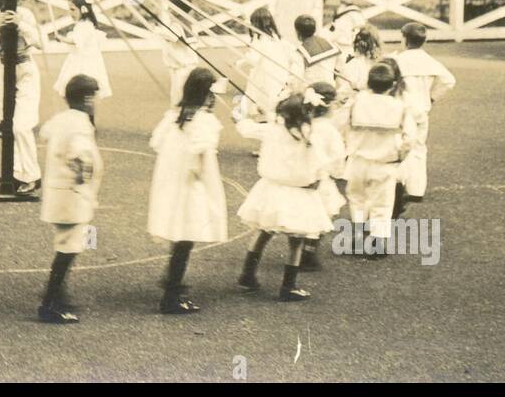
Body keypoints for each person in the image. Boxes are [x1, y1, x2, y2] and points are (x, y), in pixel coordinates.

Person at [235, 86, 343, 300]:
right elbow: (322, 163)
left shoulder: (273, 129)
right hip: (299, 192)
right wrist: (319, 179)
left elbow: (246, 127)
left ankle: (247, 274)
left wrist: (239, 114)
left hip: (270, 188)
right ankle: (288, 286)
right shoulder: (309, 135)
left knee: (263, 232)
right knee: (296, 241)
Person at [147, 67, 228, 314]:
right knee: (185, 234)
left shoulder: (175, 115)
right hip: (191, 185)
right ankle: (172, 292)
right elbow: (199, 157)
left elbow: (156, 142)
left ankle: (173, 281)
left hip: (172, 181)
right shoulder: (205, 122)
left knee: (181, 233)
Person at [37, 74, 104, 324]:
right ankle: (50, 302)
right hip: (71, 194)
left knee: (68, 244)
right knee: (69, 247)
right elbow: (77, 153)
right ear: (87, 98)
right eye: (94, 96)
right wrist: (83, 174)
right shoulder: (80, 124)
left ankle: (57, 293)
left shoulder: (64, 119)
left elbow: (46, 132)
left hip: (60, 193)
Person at [340, 62, 416, 259]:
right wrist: (400, 155)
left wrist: (349, 144)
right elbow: (410, 138)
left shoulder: (356, 103)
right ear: (392, 85)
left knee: (357, 199)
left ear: (368, 83)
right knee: (381, 204)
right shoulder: (400, 107)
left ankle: (356, 239)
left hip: (357, 161)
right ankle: (377, 242)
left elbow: (340, 125)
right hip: (385, 162)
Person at [0, 0, 44, 193]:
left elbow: (39, 41)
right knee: (8, 125)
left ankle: (33, 176)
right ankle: (15, 172)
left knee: (21, 125)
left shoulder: (24, 14)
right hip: (4, 73)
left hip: (25, 70)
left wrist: (20, 24)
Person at [392, 23, 456, 204]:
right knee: (419, 147)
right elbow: (449, 80)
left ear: (404, 39)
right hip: (421, 110)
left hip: (402, 111)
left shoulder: (398, 60)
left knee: (399, 145)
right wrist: (432, 97)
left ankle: (398, 182)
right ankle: (416, 189)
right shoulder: (428, 60)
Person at [234, 6, 292, 125]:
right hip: (279, 71)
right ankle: (272, 117)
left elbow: (253, 57)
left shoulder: (260, 39)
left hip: (265, 72)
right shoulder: (275, 37)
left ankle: (264, 119)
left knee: (260, 95)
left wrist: (239, 63)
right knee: (273, 95)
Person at [53, 0, 113, 100]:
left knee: (82, 86)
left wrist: (60, 38)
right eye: (69, 10)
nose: (71, 13)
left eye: (73, 10)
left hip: (85, 61)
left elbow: (75, 41)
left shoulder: (85, 25)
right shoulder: (81, 24)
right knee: (73, 89)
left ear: (83, 9)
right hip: (78, 58)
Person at [289, 14, 340, 89]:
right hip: (331, 89)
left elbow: (296, 79)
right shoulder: (331, 44)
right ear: (314, 29)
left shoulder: (300, 52)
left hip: (312, 92)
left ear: (298, 33)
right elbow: (339, 67)